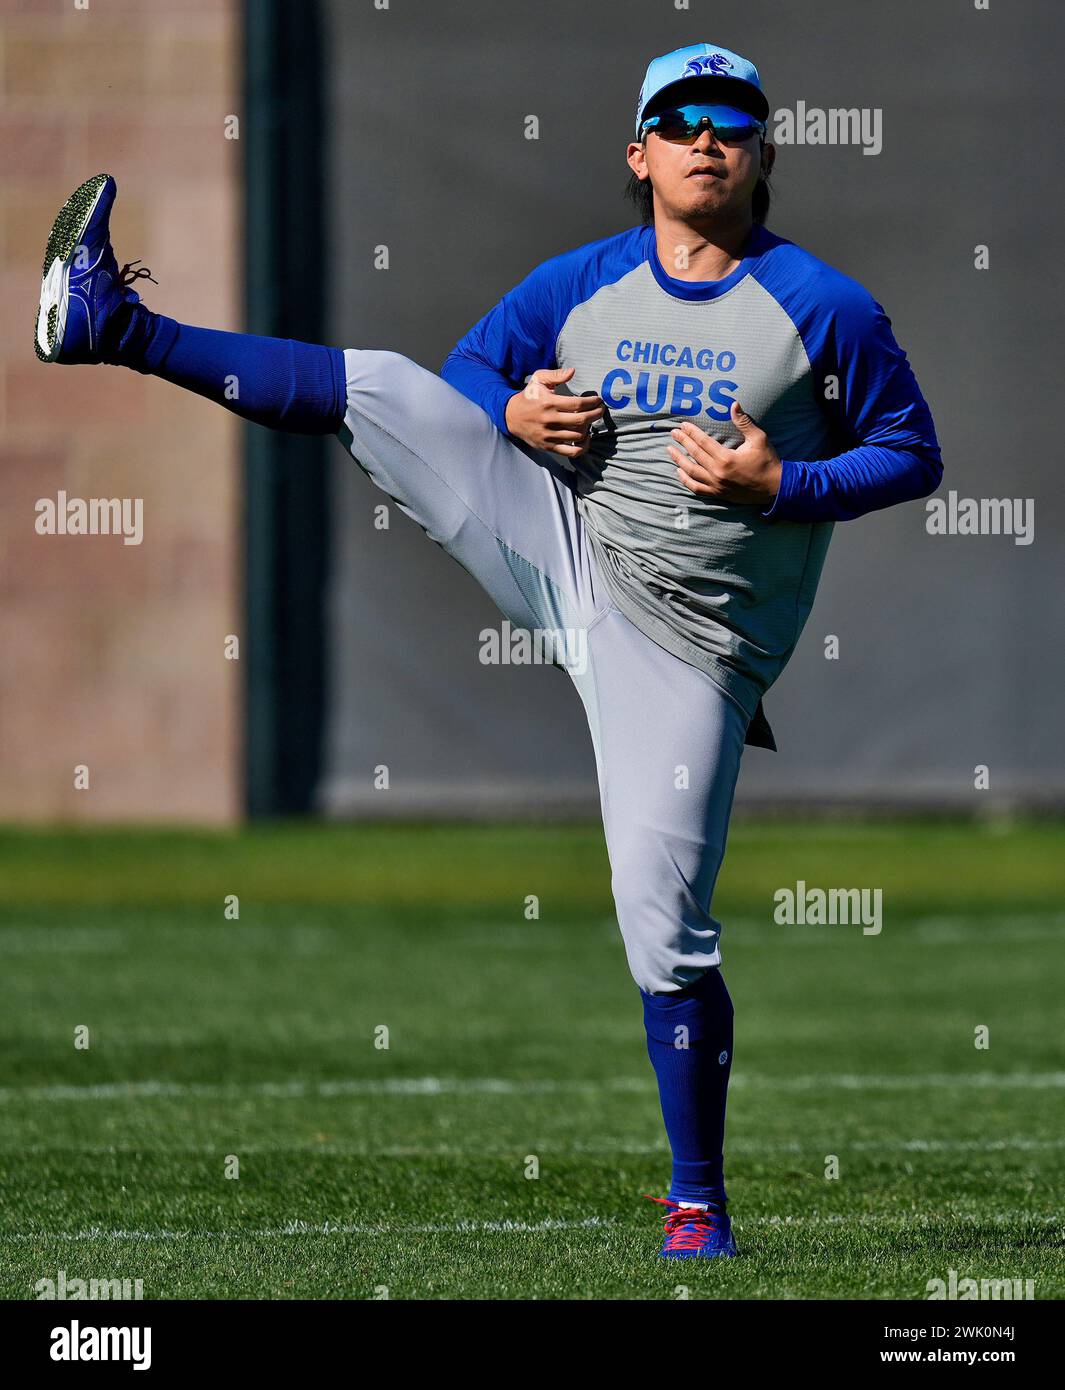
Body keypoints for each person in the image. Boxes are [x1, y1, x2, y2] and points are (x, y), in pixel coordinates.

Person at [34, 42, 942, 1260]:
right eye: (679, 119)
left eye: (733, 119)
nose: (707, 136)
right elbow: (474, 367)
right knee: (398, 392)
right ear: (640, 153)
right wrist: (509, 410)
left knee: (658, 920)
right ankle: (116, 325)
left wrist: (786, 480)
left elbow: (912, 452)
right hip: (569, 551)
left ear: (765, 150)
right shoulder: (582, 281)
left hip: (691, 642)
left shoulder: (823, 306)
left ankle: (697, 1204)